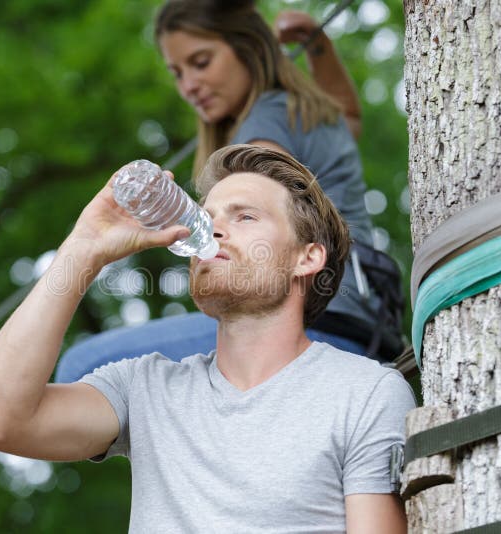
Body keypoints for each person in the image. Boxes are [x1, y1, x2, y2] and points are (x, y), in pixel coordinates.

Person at [0, 144, 416, 532]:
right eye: (207, 215)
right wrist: (84, 248)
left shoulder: (366, 393)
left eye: (246, 217)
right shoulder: (142, 388)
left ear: (307, 257)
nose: (213, 229)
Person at [54, 0, 404, 384]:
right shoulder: (298, 111)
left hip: (320, 323)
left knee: (80, 367)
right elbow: (350, 118)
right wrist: (317, 45)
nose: (189, 85)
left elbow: (256, 223)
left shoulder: (264, 123)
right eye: (177, 73)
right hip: (365, 321)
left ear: (247, 48)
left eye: (201, 62)